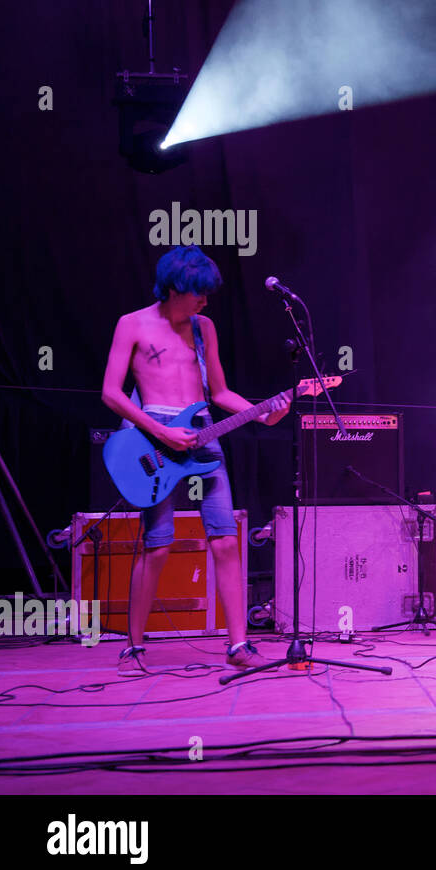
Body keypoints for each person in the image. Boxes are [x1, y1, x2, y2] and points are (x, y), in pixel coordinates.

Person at [101, 245, 289, 675]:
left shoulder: (204, 327)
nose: (204, 301)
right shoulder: (132, 324)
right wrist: (161, 431)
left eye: (207, 295)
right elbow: (110, 393)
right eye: (197, 293)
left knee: (225, 539)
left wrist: (263, 409)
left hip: (203, 437)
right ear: (173, 288)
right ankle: (133, 647)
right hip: (155, 441)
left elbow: (219, 392)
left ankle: (239, 645)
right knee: (158, 545)